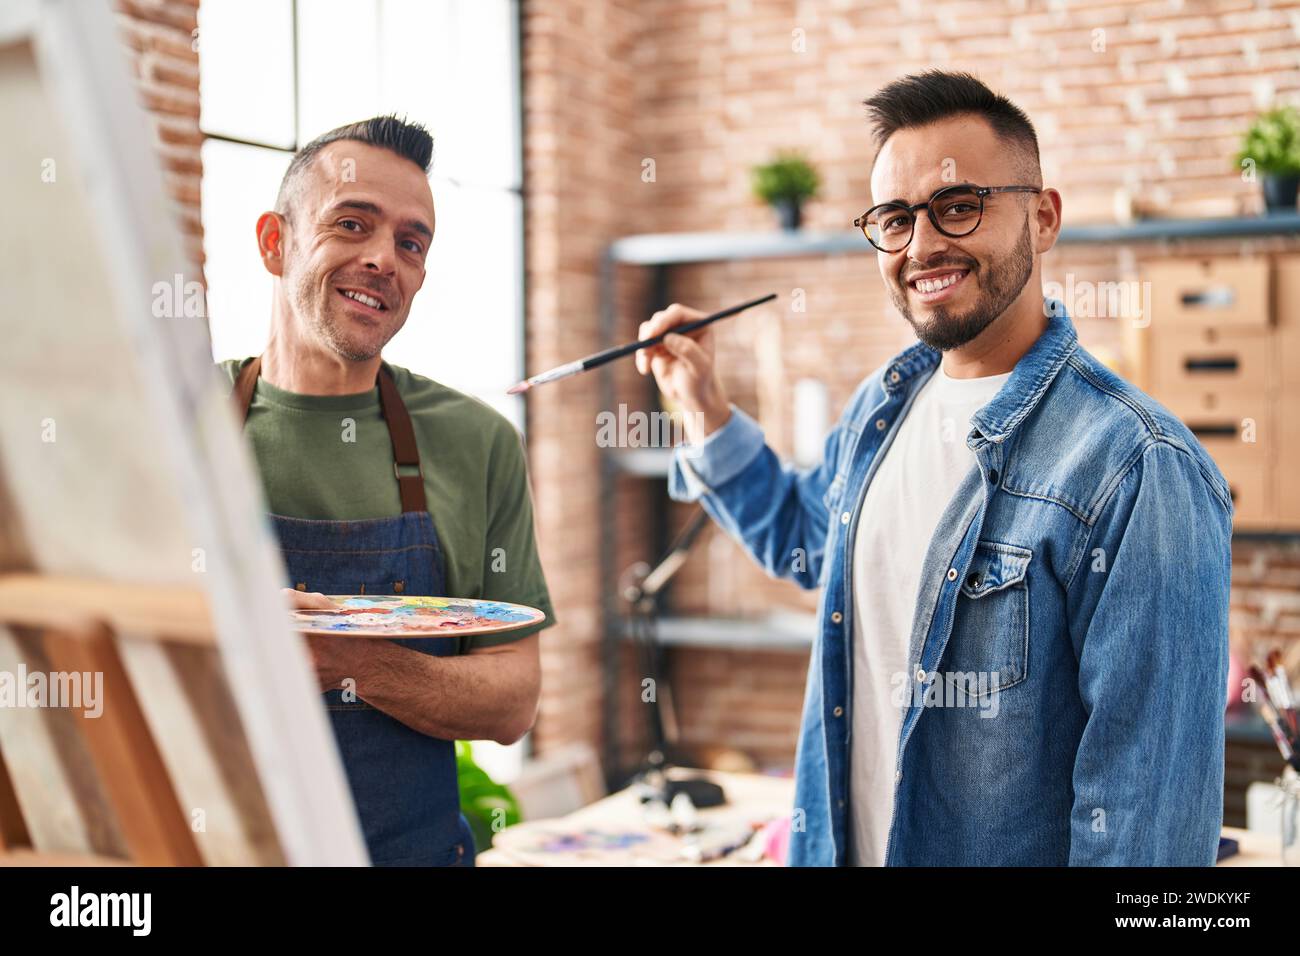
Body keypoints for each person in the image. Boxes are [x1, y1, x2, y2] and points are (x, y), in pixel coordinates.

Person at [636, 71, 1232, 866]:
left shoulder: (1137, 465)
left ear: (1043, 216)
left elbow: (1147, 824)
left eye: (958, 206)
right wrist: (700, 405)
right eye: (893, 218)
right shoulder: (883, 406)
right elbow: (803, 542)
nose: (920, 247)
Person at [220, 115, 554, 866]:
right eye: (351, 223)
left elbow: (512, 701)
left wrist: (349, 662)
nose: (383, 260)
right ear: (276, 243)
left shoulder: (477, 442)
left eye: (410, 242)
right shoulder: (180, 425)